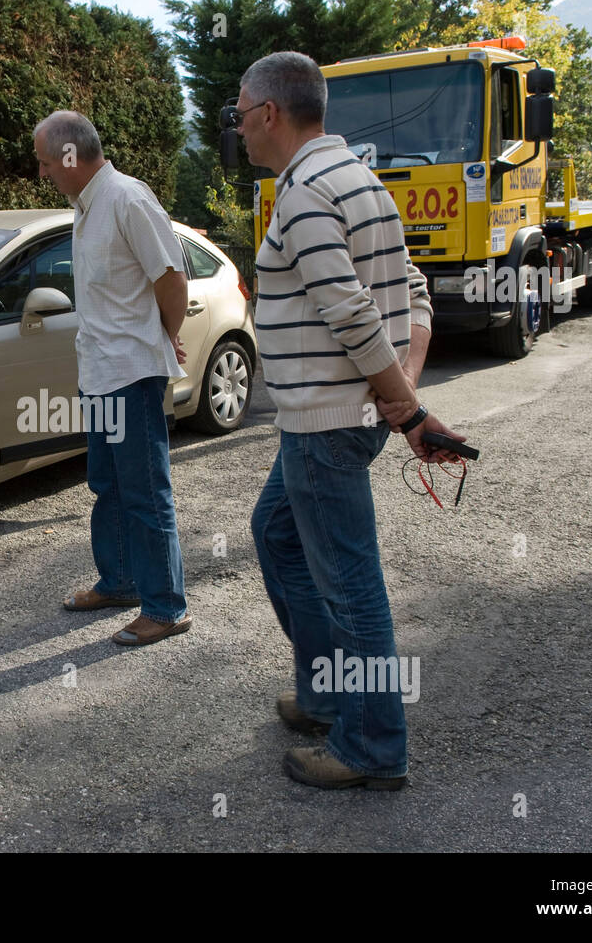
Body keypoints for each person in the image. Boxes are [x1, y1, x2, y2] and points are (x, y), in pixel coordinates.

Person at [236, 52, 465, 789]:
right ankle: (328, 691)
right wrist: (401, 395)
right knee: (274, 534)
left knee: (351, 586)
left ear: (270, 113)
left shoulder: (304, 193)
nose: (238, 130)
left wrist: (402, 405)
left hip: (328, 419)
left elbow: (349, 307)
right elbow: (414, 294)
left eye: (240, 115)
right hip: (342, 413)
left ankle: (370, 745)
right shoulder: (359, 179)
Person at [33, 110, 192, 647]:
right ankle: (121, 582)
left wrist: (165, 337)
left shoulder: (126, 198)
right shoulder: (87, 205)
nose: (43, 172)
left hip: (130, 372)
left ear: (72, 156)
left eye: (47, 162)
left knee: (145, 492)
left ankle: (167, 607)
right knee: (108, 486)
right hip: (99, 371)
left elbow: (172, 277)